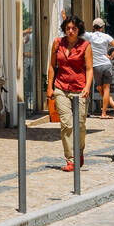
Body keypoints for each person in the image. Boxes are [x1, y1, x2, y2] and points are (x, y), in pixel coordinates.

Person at [46, 11, 93, 171]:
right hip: (61, 87)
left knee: (79, 124)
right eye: (67, 28)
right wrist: (49, 86)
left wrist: (87, 87)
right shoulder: (57, 43)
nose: (70, 31)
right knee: (66, 124)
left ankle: (79, 151)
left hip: (80, 88)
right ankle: (71, 159)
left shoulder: (85, 46)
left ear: (79, 29)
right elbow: (52, 66)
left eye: (73, 28)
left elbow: (89, 68)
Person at [86, 16, 114, 118]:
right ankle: (107, 111)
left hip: (96, 65)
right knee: (106, 89)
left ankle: (107, 111)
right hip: (106, 64)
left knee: (100, 89)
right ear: (102, 27)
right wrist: (111, 56)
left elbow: (78, 33)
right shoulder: (106, 36)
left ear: (93, 27)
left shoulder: (90, 36)